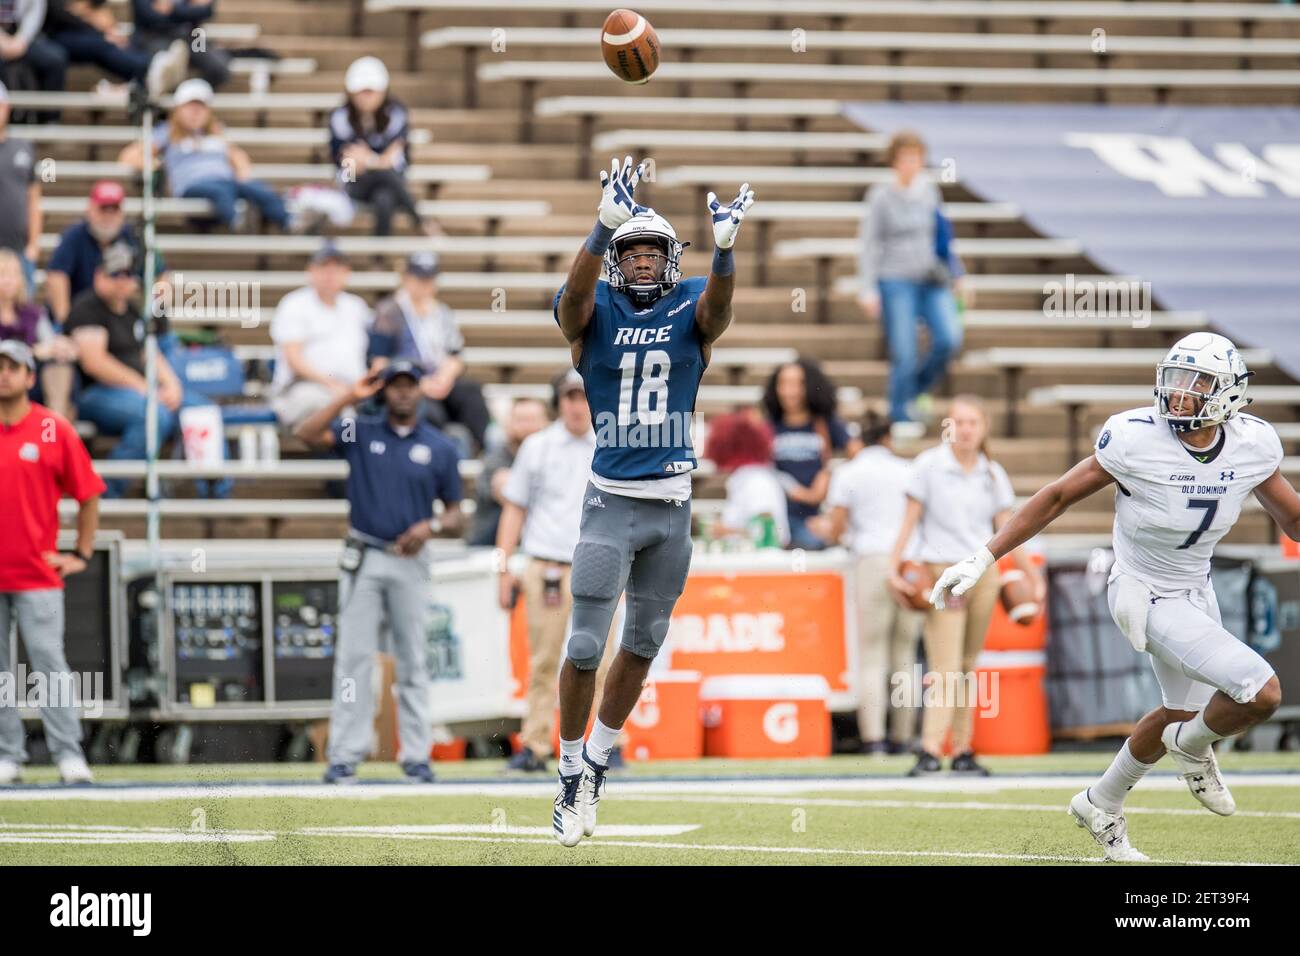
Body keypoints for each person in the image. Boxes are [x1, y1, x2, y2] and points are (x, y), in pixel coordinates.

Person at [932, 333, 1288, 862]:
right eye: (1176, 378)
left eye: (1196, 384)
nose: (1179, 394)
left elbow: (1294, 519)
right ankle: (1193, 748)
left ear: (1227, 394)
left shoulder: (1253, 444)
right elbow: (1056, 496)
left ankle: (1101, 802)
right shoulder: (1134, 437)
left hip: (1197, 587)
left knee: (1175, 715)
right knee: (1261, 694)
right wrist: (983, 557)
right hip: (1142, 592)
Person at [550, 155, 754, 846]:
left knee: (641, 644)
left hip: (671, 506)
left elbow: (717, 314)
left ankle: (599, 762)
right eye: (629, 250)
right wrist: (598, 229)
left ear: (670, 259)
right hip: (611, 500)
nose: (640, 260)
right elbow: (569, 309)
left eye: (651, 250)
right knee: (583, 645)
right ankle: (568, 768)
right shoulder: (594, 306)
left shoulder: (693, 302)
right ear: (615, 257)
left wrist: (724, 253)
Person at [294, 360, 463, 785]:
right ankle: (346, 754)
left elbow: (458, 513)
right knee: (354, 659)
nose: (403, 393)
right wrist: (350, 395)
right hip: (366, 553)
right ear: (384, 391)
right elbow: (305, 434)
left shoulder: (440, 446)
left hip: (410, 558)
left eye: (409, 385)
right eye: (395, 386)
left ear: (420, 390)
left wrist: (433, 526)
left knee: (414, 659)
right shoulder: (362, 431)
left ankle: (417, 753)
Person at [888, 394, 1043, 778]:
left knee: (968, 665)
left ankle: (960, 749)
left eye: (973, 422)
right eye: (959, 422)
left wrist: (1032, 574)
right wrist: (895, 566)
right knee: (946, 665)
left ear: (983, 428)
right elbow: (909, 522)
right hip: (943, 571)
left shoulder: (991, 472)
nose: (966, 429)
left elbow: (1008, 529)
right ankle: (929, 748)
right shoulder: (929, 466)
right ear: (948, 426)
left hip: (983, 570)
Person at [496, 370, 620, 773]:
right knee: (545, 659)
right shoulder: (538, 446)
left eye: (583, 395)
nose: (577, 404)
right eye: (569, 396)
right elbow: (515, 507)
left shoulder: (611, 440)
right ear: (559, 402)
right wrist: (503, 566)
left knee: (601, 660)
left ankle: (604, 746)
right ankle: (535, 744)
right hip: (548, 562)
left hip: (599, 562)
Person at [0, 339, 106, 786]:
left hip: (36, 572)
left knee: (48, 661)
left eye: (12, 367)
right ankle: (8, 753)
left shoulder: (51, 429)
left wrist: (80, 552)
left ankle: (68, 752)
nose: (3, 374)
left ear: (29, 376)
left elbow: (88, 493)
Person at [819, 410, 922, 754]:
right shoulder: (909, 470)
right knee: (905, 656)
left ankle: (874, 739)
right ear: (889, 438)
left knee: (872, 656)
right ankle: (904, 737)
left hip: (873, 560)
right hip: (909, 563)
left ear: (858, 440)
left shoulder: (849, 472)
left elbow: (835, 528)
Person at [62, 242, 198, 497]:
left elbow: (150, 352)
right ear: (99, 275)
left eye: (128, 275)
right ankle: (105, 492)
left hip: (138, 391)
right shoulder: (86, 307)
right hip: (96, 393)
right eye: (116, 274)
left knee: (201, 410)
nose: (123, 281)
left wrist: (172, 384)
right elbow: (95, 363)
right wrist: (145, 388)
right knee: (154, 417)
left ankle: (212, 493)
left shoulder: (133, 310)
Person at [858, 129, 969, 426]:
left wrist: (957, 275)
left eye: (916, 158)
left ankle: (912, 391)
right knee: (904, 351)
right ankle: (899, 414)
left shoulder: (929, 191)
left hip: (930, 277)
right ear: (894, 162)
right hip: (895, 278)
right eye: (905, 158)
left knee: (949, 338)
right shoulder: (881, 196)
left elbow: (942, 238)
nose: (911, 165)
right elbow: (870, 244)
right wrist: (867, 288)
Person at [118, 78, 292, 231]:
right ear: (178, 109)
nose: (195, 112)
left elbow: (237, 156)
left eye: (200, 107)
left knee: (257, 189)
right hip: (193, 186)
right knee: (220, 192)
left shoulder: (217, 132)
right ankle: (237, 221)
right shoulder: (166, 132)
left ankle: (288, 222)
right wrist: (156, 164)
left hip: (226, 182)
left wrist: (242, 173)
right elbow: (129, 156)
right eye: (190, 106)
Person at [368, 252, 490, 452]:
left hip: (439, 379)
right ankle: (436, 457)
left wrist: (445, 378)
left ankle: (480, 451)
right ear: (406, 278)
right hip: (406, 380)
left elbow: (455, 354)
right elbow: (379, 362)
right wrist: (420, 383)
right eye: (419, 278)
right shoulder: (388, 312)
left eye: (429, 279)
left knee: (472, 393)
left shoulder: (442, 312)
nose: (425, 284)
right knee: (430, 412)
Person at [269, 243, 372, 430]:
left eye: (337, 269)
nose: (330, 274)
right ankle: (343, 454)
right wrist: (335, 386)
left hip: (353, 390)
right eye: (324, 268)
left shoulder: (356, 306)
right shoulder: (294, 304)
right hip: (304, 390)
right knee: (341, 415)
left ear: (346, 273)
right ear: (311, 271)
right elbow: (294, 359)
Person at [761, 357, 858, 551]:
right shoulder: (768, 427)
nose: (790, 391)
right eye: (784, 384)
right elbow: (757, 467)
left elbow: (860, 455)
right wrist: (791, 488)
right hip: (780, 516)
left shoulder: (826, 423)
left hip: (816, 518)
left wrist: (830, 475)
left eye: (798, 384)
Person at [328, 56, 428, 237]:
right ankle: (423, 223)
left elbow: (396, 160)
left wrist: (369, 160)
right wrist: (377, 161)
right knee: (385, 176)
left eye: (371, 92)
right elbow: (346, 166)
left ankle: (378, 259)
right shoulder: (340, 117)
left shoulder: (396, 114)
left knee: (385, 198)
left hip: (390, 183)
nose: (366, 98)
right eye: (361, 92)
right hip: (353, 182)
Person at [46, 179, 168, 325]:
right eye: (103, 209)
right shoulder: (74, 236)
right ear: (90, 209)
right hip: (82, 318)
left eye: (114, 209)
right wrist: (67, 323)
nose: (108, 216)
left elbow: (161, 275)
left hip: (122, 319)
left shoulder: (134, 237)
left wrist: (151, 314)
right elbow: (56, 276)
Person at [45, 0, 187, 97]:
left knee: (118, 42)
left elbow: (91, 8)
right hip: (54, 36)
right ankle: (150, 70)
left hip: (80, 30)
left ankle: (145, 76)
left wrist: (92, 15)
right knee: (102, 43)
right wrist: (97, 30)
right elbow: (59, 13)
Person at [0, 248, 75, 418]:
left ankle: (55, 424)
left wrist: (61, 347)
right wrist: (35, 351)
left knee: (59, 365)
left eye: (13, 275)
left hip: (32, 381)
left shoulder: (34, 313)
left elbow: (50, 342)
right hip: (4, 377)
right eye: (3, 274)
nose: (8, 281)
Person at [702, 409, 789, 548]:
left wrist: (725, 531)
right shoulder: (745, 480)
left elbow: (769, 535)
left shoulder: (757, 482)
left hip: (763, 567)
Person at [469, 395, 548, 547]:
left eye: (532, 420)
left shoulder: (552, 458)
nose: (526, 427)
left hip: (538, 547)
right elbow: (506, 490)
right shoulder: (496, 458)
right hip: (489, 546)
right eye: (520, 420)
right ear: (508, 424)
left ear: (545, 423)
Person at [130, 0, 230, 90]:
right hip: (154, 37)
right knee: (159, 65)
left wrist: (173, 9)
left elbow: (205, 11)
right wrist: (188, 10)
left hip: (189, 37)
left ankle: (189, 94)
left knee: (219, 67)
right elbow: (148, 14)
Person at [0, 82, 39, 296]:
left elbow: (34, 198)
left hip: (18, 250)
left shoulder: (24, 147)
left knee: (23, 313)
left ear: (7, 107)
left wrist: (33, 245)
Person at [0, 0, 68, 103]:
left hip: (24, 39)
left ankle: (50, 116)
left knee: (56, 58)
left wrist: (22, 40)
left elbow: (35, 13)